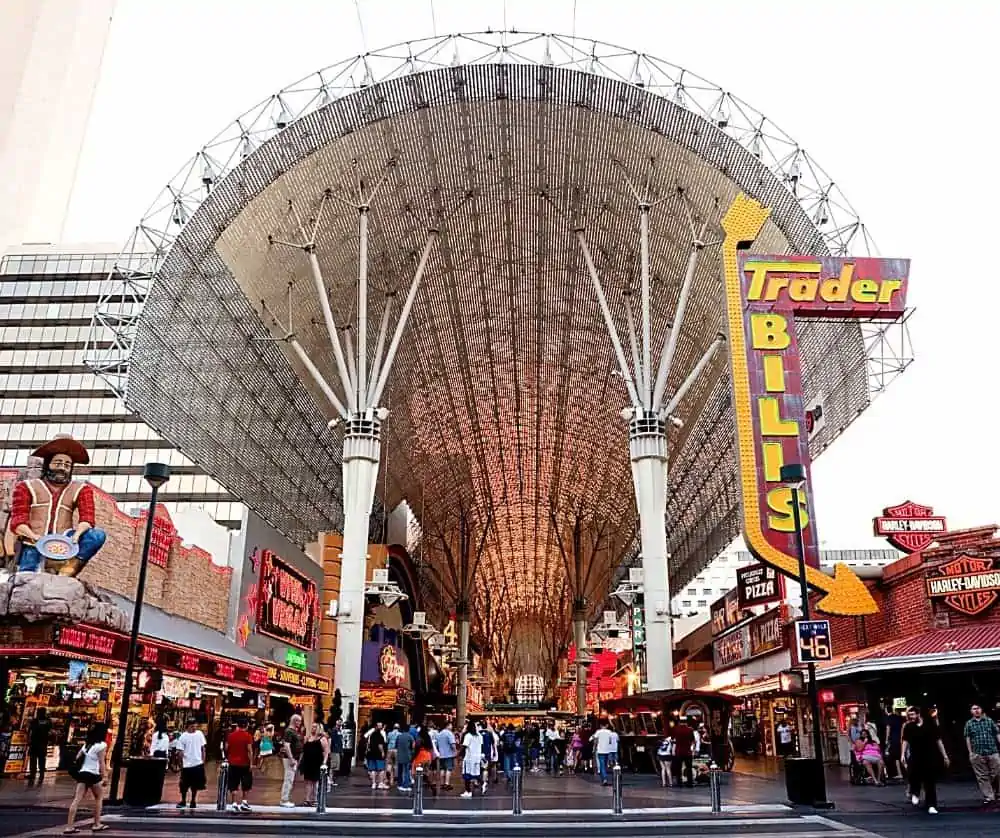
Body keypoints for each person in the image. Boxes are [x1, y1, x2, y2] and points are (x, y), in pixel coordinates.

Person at [9, 435, 108, 575]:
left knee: (97, 535)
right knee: (26, 580)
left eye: (67, 465)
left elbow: (87, 519)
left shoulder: (81, 489)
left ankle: (68, 568)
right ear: (48, 464)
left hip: (65, 541)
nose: (62, 468)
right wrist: (33, 536)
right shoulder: (26, 487)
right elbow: (17, 521)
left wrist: (76, 537)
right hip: (34, 542)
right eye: (58, 463)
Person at [902, 706, 949, 815]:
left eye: (913, 715)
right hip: (915, 755)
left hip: (929, 755)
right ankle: (915, 792)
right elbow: (905, 740)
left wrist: (945, 755)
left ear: (918, 714)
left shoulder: (930, 725)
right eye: (910, 715)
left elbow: (938, 740)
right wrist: (902, 754)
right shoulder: (908, 726)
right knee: (913, 774)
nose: (911, 717)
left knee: (930, 781)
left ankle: (931, 805)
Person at [64, 722, 107, 834]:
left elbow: (78, 757)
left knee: (76, 800)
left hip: (83, 773)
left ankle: (69, 826)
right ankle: (97, 824)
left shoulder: (87, 744)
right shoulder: (102, 745)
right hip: (93, 774)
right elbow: (102, 762)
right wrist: (105, 776)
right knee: (99, 798)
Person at [964, 702, 1000, 805]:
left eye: (978, 708)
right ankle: (989, 796)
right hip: (978, 753)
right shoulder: (969, 724)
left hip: (992, 751)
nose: (976, 710)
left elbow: (997, 733)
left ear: (981, 709)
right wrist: (971, 753)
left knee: (996, 773)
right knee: (982, 776)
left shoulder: (989, 721)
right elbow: (968, 739)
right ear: (971, 711)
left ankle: (997, 792)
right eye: (974, 709)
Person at [174, 718, 207, 810]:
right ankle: (184, 800)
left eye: (195, 725)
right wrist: (181, 764)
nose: (194, 727)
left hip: (197, 763)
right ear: (188, 726)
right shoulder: (183, 737)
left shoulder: (199, 734)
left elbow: (203, 748)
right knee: (184, 784)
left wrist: (203, 760)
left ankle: (193, 800)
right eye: (192, 726)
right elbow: (180, 752)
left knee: (194, 785)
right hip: (187, 764)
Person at [225, 717, 254, 812]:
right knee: (246, 783)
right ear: (247, 725)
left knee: (233, 783)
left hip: (233, 763)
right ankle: (244, 802)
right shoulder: (248, 736)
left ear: (237, 725)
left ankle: (234, 803)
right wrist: (251, 763)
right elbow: (249, 751)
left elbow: (226, 748)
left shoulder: (231, 736)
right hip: (244, 763)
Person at [300, 723, 328, 806]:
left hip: (317, 762)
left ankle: (315, 799)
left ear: (319, 728)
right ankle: (307, 799)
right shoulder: (308, 738)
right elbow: (303, 751)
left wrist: (324, 763)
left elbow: (326, 752)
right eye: (312, 726)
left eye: (315, 727)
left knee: (315, 782)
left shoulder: (322, 739)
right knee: (308, 781)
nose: (313, 728)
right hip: (308, 762)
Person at [279, 714, 304, 808]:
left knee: (290, 778)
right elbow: (287, 745)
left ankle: (286, 798)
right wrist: (291, 758)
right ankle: (284, 799)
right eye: (299, 721)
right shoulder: (289, 731)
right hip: (291, 759)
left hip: (294, 758)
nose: (300, 723)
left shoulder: (293, 731)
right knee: (289, 778)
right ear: (295, 721)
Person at [27, 707, 53, 786]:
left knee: (33, 761)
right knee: (41, 761)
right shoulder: (48, 721)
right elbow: (50, 731)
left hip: (34, 744)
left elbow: (30, 731)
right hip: (43, 744)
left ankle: (32, 776)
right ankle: (41, 776)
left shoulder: (34, 721)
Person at [460, 720, 483, 798]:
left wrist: (458, 755)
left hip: (469, 758)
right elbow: (481, 745)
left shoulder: (468, 735)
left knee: (467, 775)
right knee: (476, 774)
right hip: (477, 758)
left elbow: (464, 746)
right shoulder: (479, 735)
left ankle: (468, 791)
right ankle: (483, 783)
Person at [591, 719, 617, 786]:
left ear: (600, 725)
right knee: (605, 765)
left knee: (602, 765)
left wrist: (591, 739)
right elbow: (612, 740)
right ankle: (607, 777)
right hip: (608, 750)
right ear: (607, 725)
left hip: (600, 750)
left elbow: (592, 737)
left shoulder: (598, 732)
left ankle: (604, 779)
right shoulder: (609, 732)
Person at [672, 717, 696, 788]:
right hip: (688, 752)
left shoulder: (676, 729)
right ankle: (690, 783)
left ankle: (679, 783)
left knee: (678, 769)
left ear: (679, 722)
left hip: (678, 752)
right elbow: (693, 740)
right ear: (686, 722)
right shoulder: (690, 730)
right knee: (689, 768)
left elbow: (673, 739)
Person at [365, 721, 388, 790]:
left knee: (373, 769)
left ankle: (374, 783)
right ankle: (380, 783)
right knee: (381, 769)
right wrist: (383, 752)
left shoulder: (372, 735)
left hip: (372, 753)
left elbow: (368, 743)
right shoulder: (380, 735)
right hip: (378, 754)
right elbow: (380, 745)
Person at [884, 707, 905, 781]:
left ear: (886, 710)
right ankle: (903, 773)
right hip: (901, 739)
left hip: (894, 739)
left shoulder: (889, 718)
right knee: (901, 756)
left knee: (895, 757)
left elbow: (888, 728)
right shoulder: (899, 717)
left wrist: (886, 739)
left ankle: (899, 774)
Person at [437, 721, 457, 790]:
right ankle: (447, 783)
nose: (452, 726)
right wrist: (455, 751)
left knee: (442, 769)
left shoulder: (439, 733)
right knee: (449, 769)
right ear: (448, 725)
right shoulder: (449, 733)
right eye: (451, 725)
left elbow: (437, 744)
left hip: (441, 754)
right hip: (448, 754)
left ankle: (442, 784)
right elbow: (452, 744)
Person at [395, 723, 414, 791]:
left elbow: (396, 745)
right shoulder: (410, 736)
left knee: (400, 771)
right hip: (407, 756)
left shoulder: (399, 736)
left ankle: (399, 784)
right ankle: (406, 785)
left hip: (400, 755)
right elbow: (413, 746)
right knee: (406, 771)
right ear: (408, 729)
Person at [386, 723, 400, 788]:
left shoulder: (389, 733)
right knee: (395, 764)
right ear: (398, 728)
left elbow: (387, 741)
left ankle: (388, 771)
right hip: (396, 750)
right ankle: (393, 779)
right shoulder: (400, 734)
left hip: (390, 749)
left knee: (389, 763)